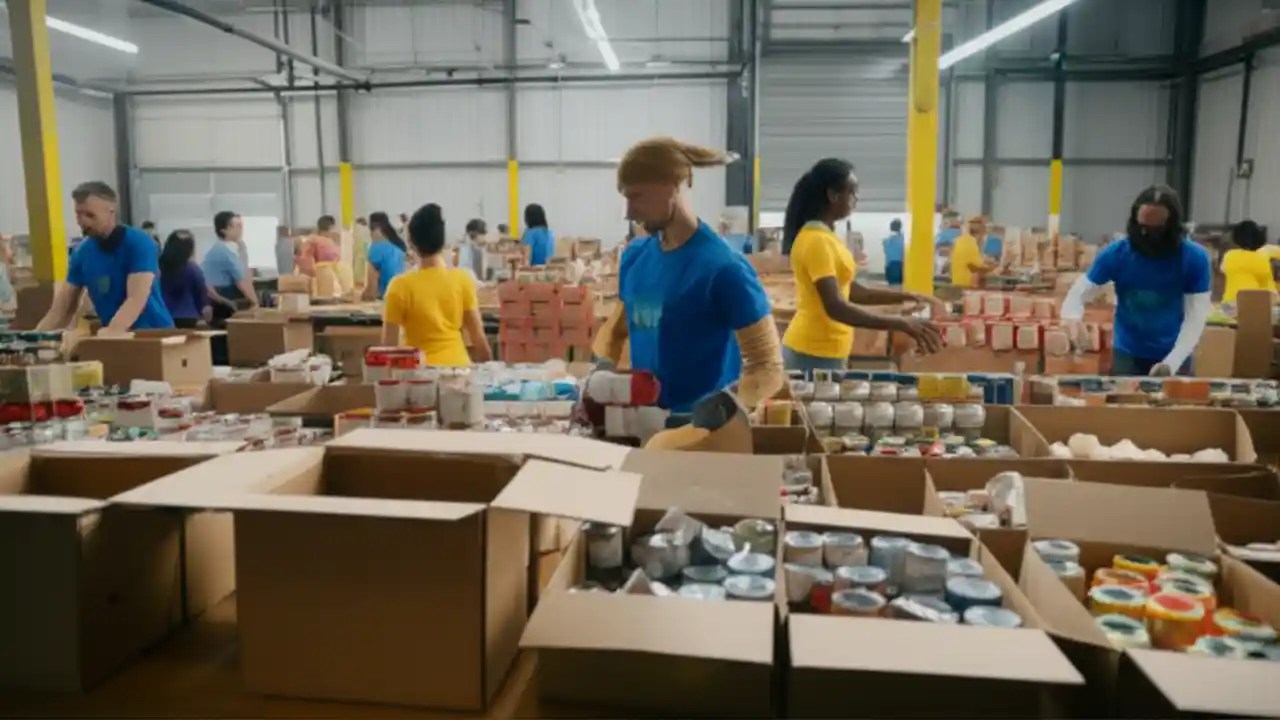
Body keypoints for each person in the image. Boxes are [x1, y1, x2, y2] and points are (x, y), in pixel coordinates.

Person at [591, 137, 784, 413]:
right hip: (641, 423)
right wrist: (602, 369)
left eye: (637, 197)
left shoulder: (723, 269)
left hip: (700, 435)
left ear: (673, 186)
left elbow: (767, 366)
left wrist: (726, 408)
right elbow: (619, 325)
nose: (629, 213)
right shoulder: (635, 257)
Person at [780, 159, 943, 374]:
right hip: (813, 351)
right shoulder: (816, 241)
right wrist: (900, 322)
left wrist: (909, 296)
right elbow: (835, 306)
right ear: (833, 195)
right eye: (852, 192)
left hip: (829, 349)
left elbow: (854, 292)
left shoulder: (827, 238)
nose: (856, 199)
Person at [1061, 185, 1210, 377]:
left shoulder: (1193, 258)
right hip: (1128, 352)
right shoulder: (1117, 254)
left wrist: (1171, 364)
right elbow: (1081, 290)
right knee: (1126, 403)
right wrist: (1072, 315)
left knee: (1174, 405)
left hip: (1176, 350)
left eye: (1156, 230)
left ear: (1172, 226)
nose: (1147, 235)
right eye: (1142, 228)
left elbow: (1196, 317)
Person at [37, 182, 173, 333]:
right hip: (115, 337)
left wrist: (110, 333)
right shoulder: (81, 253)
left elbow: (136, 300)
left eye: (90, 215)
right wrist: (35, 338)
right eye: (78, 214)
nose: (82, 221)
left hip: (154, 335)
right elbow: (61, 310)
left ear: (111, 212)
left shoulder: (140, 243)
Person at [381, 204, 491, 367]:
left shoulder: (399, 286)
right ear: (443, 241)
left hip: (418, 375)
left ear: (411, 242)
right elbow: (479, 339)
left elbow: (389, 348)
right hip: (458, 370)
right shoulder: (462, 279)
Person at [203, 211, 260, 324]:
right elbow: (242, 280)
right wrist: (255, 302)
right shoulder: (225, 251)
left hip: (222, 298)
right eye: (237, 226)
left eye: (241, 226)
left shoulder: (228, 248)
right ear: (224, 230)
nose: (241, 230)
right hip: (224, 300)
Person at [158, 230, 209, 329]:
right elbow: (201, 294)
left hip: (162, 315)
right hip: (187, 317)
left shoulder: (157, 266)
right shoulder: (192, 269)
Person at [1221, 220, 1277, 303]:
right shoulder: (1262, 257)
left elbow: (1223, 269)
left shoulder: (1229, 256)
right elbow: (1269, 289)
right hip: (1253, 304)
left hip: (1229, 303)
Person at [363, 211, 407, 300]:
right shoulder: (398, 249)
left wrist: (359, 298)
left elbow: (371, 292)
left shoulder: (375, 249)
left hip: (386, 301)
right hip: (402, 299)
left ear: (376, 230)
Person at [298, 215, 343, 295]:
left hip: (307, 283)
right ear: (331, 227)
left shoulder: (309, 240)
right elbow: (334, 263)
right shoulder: (326, 243)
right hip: (324, 282)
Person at [950, 214, 998, 289]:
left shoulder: (959, 241)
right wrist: (994, 268)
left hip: (957, 284)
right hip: (966, 286)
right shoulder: (970, 243)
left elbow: (970, 262)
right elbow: (975, 267)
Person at [883, 219, 905, 286]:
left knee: (892, 287)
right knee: (902, 286)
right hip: (902, 264)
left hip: (891, 265)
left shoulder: (886, 240)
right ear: (900, 227)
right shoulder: (904, 239)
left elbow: (886, 252)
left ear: (891, 227)